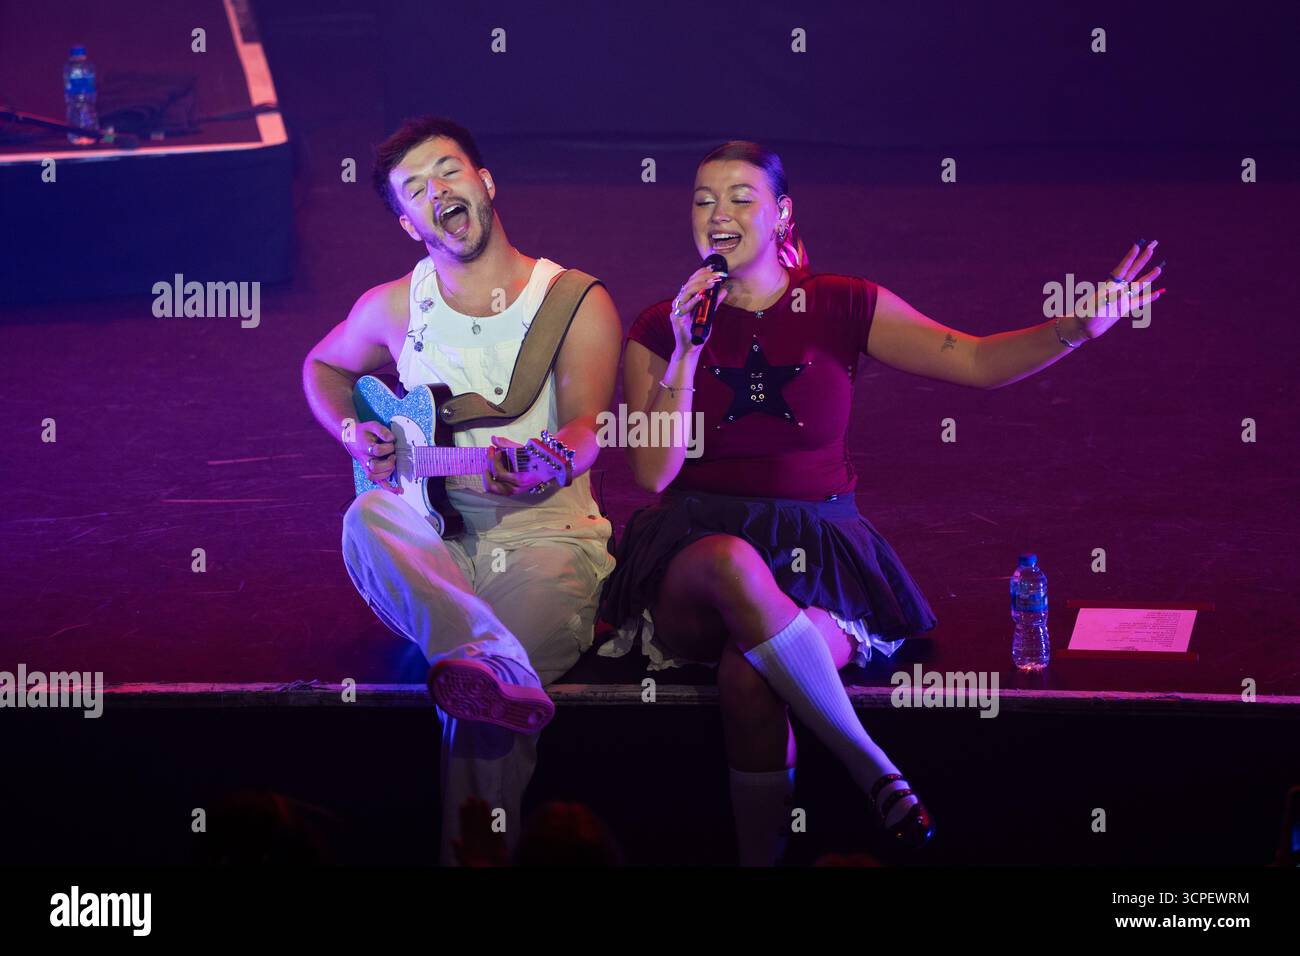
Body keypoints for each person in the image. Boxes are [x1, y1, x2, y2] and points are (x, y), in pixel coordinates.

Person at [599, 139, 1166, 865]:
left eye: (741, 197)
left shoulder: (841, 301)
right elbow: (652, 472)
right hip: (696, 559)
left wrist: (1076, 330)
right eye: (704, 199)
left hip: (817, 553)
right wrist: (684, 350)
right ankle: (876, 770)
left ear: (782, 214)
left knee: (752, 674)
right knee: (730, 561)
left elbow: (976, 359)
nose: (718, 214)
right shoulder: (659, 325)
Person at [302, 117, 621, 865]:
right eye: (415, 188)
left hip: (545, 541)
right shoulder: (393, 305)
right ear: (411, 225)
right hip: (434, 539)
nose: (437, 189)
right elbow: (322, 367)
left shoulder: (573, 301)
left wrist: (550, 461)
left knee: (477, 711)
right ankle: (484, 655)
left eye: (448, 170)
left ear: (485, 183)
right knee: (367, 514)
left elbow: (587, 426)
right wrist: (355, 434)